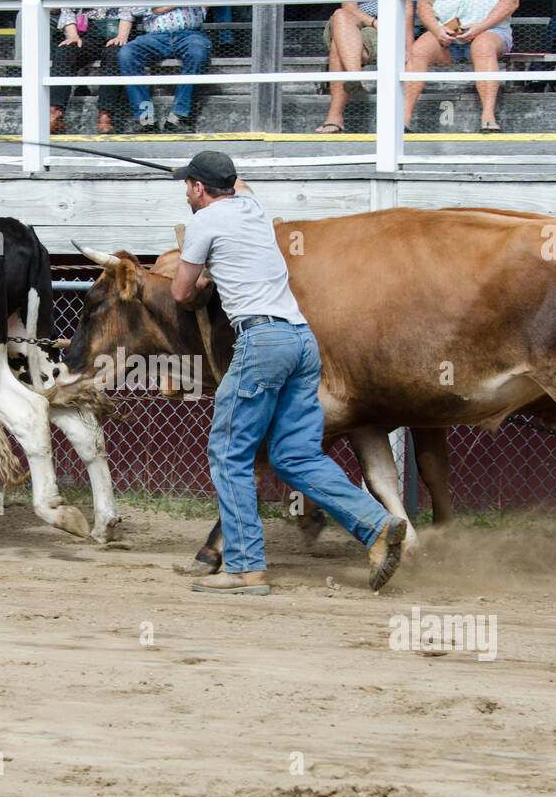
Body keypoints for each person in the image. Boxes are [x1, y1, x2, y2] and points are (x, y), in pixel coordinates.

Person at [169, 150, 408, 595]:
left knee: (229, 452)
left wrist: (204, 280)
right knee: (297, 457)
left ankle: (244, 567)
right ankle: (377, 526)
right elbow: (240, 188)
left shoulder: (204, 223)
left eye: (187, 185)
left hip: (261, 343)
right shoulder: (254, 208)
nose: (185, 191)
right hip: (301, 340)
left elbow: (182, 292)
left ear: (200, 189)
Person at [402, 0, 516, 132]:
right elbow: (423, 3)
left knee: (483, 46)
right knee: (420, 49)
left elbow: (510, 2)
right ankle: (403, 118)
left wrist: (481, 26)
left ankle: (488, 115)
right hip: (447, 33)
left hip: (490, 30)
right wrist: (437, 30)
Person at [315, 0, 416, 133]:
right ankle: (356, 76)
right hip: (360, 24)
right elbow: (349, 5)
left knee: (339, 45)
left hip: (386, 29)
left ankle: (334, 117)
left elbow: (407, 5)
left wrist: (408, 46)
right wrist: (374, 22)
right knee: (340, 14)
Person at [120, 0, 210, 133]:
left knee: (198, 51)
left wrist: (155, 1)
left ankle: (179, 116)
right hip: (154, 36)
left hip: (188, 33)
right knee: (126, 54)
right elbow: (135, 6)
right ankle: (146, 118)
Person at [50, 0, 134, 134]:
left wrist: (122, 35)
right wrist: (72, 34)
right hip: (91, 29)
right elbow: (67, 6)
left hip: (118, 27)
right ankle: (55, 114)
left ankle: (105, 116)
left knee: (116, 53)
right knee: (65, 50)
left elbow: (130, 3)